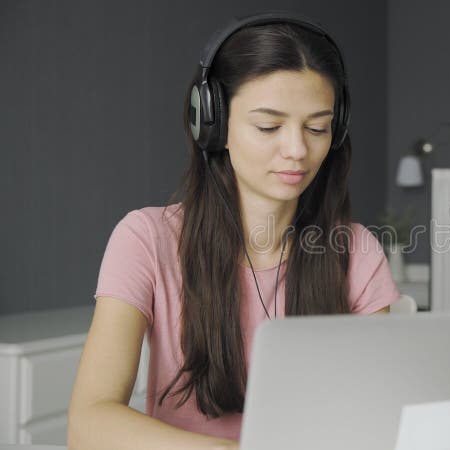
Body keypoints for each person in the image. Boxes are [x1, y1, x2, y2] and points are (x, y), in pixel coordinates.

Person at [67, 13, 400, 450]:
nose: (298, 150)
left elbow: (376, 413)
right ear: (213, 125)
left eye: (318, 128)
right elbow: (88, 424)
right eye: (269, 126)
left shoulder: (355, 251)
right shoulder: (145, 238)